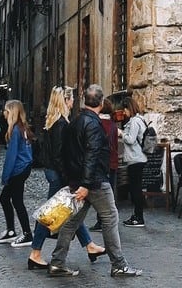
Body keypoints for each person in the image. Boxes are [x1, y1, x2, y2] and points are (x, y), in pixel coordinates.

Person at [48, 84, 142, 278]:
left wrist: (73, 180)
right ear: (100, 102)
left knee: (72, 221)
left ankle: (57, 262)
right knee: (110, 218)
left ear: (84, 101)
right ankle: (118, 264)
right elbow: (92, 156)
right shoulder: (93, 124)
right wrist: (85, 184)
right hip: (94, 182)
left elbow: (63, 155)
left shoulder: (74, 122)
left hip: (80, 181)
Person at [28, 87, 106, 270]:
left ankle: (89, 245)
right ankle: (35, 252)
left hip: (53, 172)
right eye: (71, 99)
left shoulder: (54, 121)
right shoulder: (61, 124)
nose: (73, 103)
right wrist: (69, 178)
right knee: (50, 214)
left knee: (70, 211)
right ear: (66, 100)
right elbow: (59, 155)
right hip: (58, 174)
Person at [0, 99, 35, 246]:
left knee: (16, 201)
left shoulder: (15, 130)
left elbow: (12, 156)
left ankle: (27, 234)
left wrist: (6, 176)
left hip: (18, 169)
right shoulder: (23, 127)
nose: (4, 113)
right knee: (5, 198)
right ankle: (12, 230)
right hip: (24, 167)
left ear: (11, 112)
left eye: (6, 110)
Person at [90, 97, 120, 231]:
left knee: (100, 193)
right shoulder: (113, 125)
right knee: (109, 193)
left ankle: (102, 221)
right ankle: (106, 220)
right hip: (112, 162)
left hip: (102, 164)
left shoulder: (99, 123)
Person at [120, 97, 148, 228]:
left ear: (128, 108)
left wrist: (121, 134)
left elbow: (131, 140)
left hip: (136, 158)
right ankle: (137, 215)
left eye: (125, 110)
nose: (124, 113)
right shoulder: (140, 119)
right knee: (135, 188)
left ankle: (139, 217)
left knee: (135, 188)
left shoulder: (135, 121)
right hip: (138, 158)